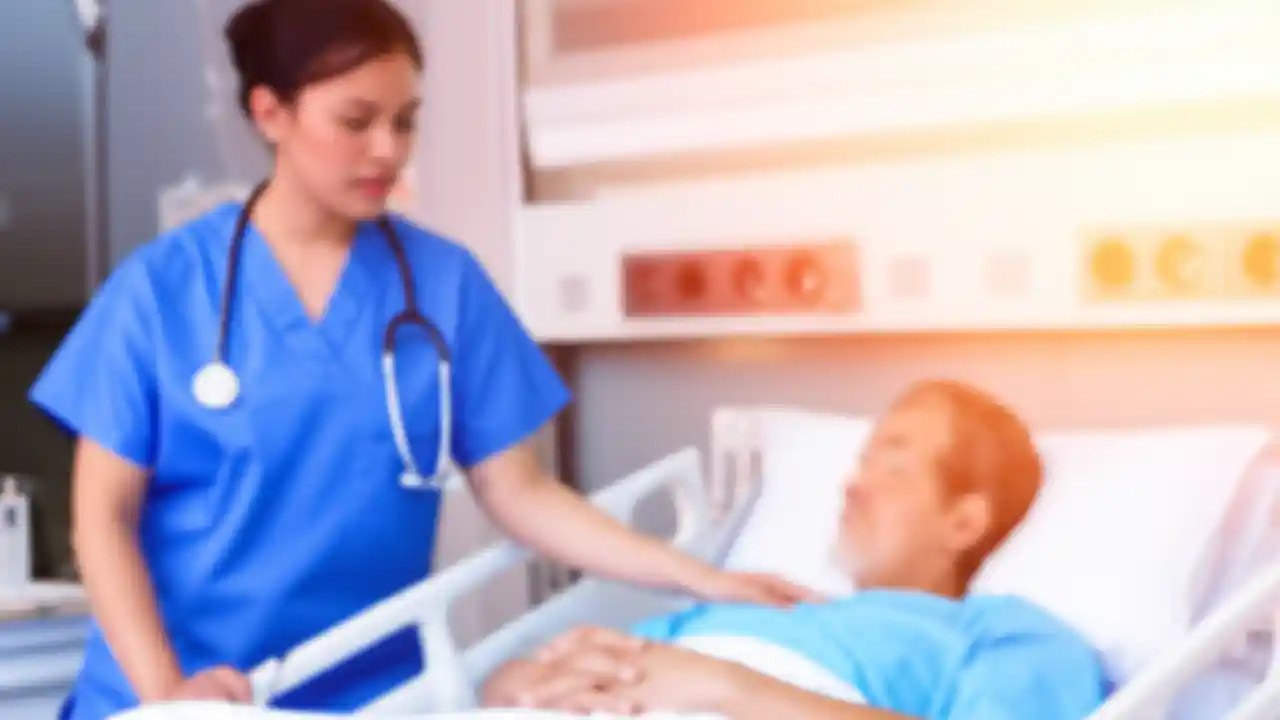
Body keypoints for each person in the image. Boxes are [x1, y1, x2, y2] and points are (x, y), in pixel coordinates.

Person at [27, 1, 810, 718]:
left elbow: (520, 491)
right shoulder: (161, 291)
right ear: (271, 113)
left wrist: (694, 572)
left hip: (371, 695)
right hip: (177, 690)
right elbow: (103, 517)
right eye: (357, 120)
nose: (388, 150)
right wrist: (171, 698)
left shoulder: (443, 286)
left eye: (406, 121)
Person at [482, 380, 1111, 719]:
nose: (852, 482)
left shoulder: (1005, 634)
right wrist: (522, 682)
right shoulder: (755, 607)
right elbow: (532, 682)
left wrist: (727, 687)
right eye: (860, 459)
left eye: (894, 462)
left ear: (964, 522)